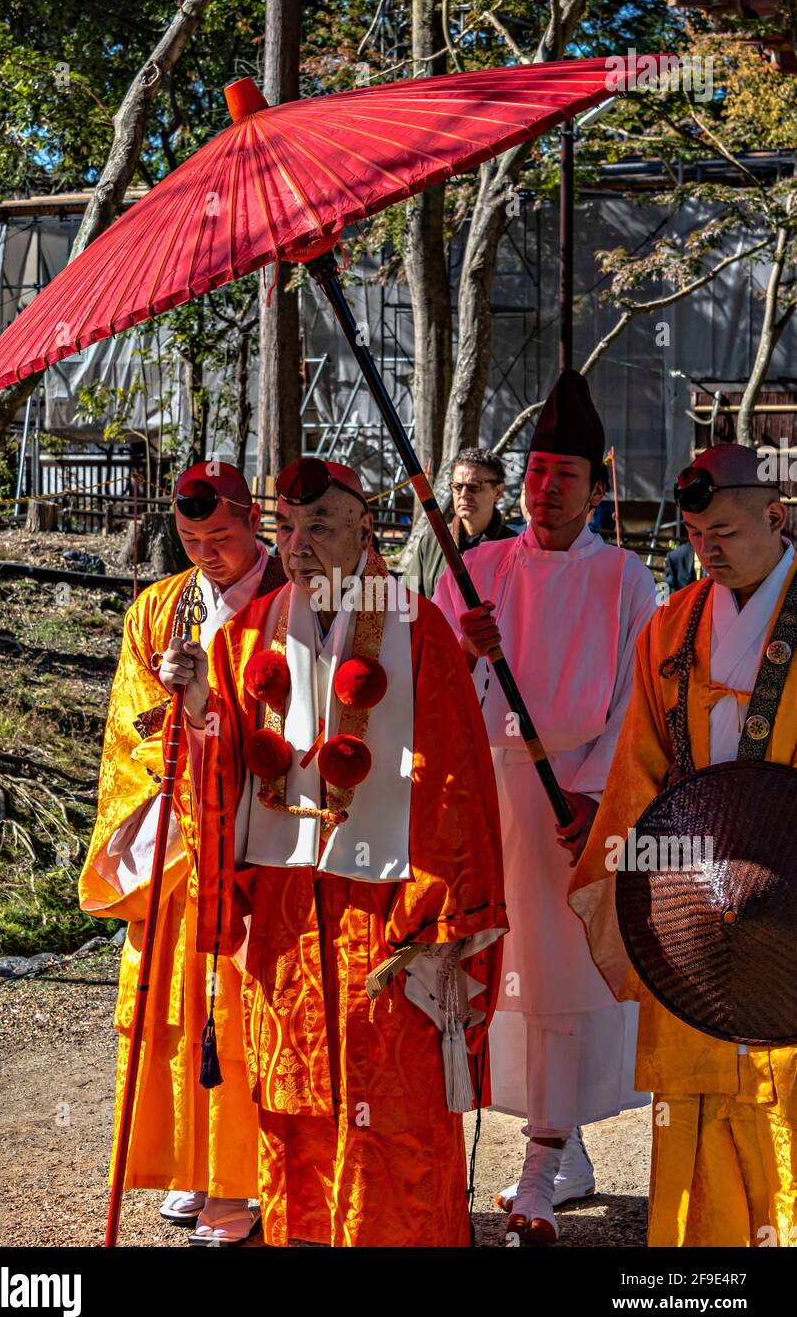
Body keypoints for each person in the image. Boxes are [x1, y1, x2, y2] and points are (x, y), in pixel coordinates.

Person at [175, 456, 508, 1247]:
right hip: (288, 915)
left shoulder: (415, 625)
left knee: (392, 1103)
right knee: (295, 1103)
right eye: (286, 526)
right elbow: (218, 770)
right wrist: (195, 709)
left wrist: (432, 924)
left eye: (319, 524)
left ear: (366, 525)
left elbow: (451, 780)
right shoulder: (247, 632)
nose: (297, 543)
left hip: (388, 912)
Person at [433, 370, 657, 1244]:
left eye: (563, 475)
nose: (542, 489)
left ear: (597, 488)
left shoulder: (626, 579)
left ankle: (540, 1162)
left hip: (572, 800)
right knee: (491, 975)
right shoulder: (477, 570)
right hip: (486, 797)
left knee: (560, 984)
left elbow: (639, 699)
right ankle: (546, 1151)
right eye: (532, 473)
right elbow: (439, 688)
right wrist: (470, 646)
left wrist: (596, 792)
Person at [570, 442, 797, 1248]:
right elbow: (638, 768)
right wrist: (636, 879)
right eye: (696, 534)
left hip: (791, 895)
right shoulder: (673, 623)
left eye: (725, 531)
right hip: (699, 902)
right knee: (694, 1089)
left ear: (775, 516)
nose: (707, 547)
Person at [79, 461, 284, 1246]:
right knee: (177, 1009)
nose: (207, 553)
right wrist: (177, 714)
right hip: (177, 842)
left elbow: (292, 724)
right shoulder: (158, 609)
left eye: (222, 537)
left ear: (253, 522)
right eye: (192, 538)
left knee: (241, 1012)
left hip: (261, 838)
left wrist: (214, 713)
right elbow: (130, 731)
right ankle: (192, 1167)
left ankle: (244, 1184)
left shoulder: (289, 605)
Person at [403, 447, 515, 597]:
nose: (463, 495)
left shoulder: (515, 549)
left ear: (498, 492)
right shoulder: (433, 541)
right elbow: (411, 601)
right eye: (457, 486)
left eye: (474, 487)